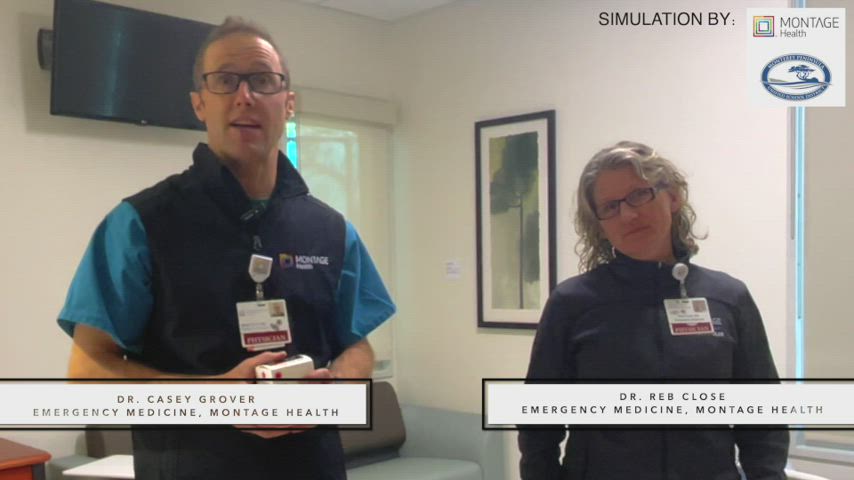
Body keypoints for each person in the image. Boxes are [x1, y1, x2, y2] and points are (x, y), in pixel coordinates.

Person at [57, 17, 395, 480]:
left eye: (263, 80)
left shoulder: (331, 231)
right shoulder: (140, 224)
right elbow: (88, 370)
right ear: (199, 103)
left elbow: (357, 346)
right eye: (224, 80)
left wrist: (331, 391)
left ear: (288, 103)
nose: (245, 95)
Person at [518, 141, 788, 479]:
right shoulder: (573, 303)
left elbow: (763, 419)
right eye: (610, 206)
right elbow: (538, 427)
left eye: (639, 195)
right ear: (598, 224)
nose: (628, 214)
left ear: (673, 197)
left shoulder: (729, 298)